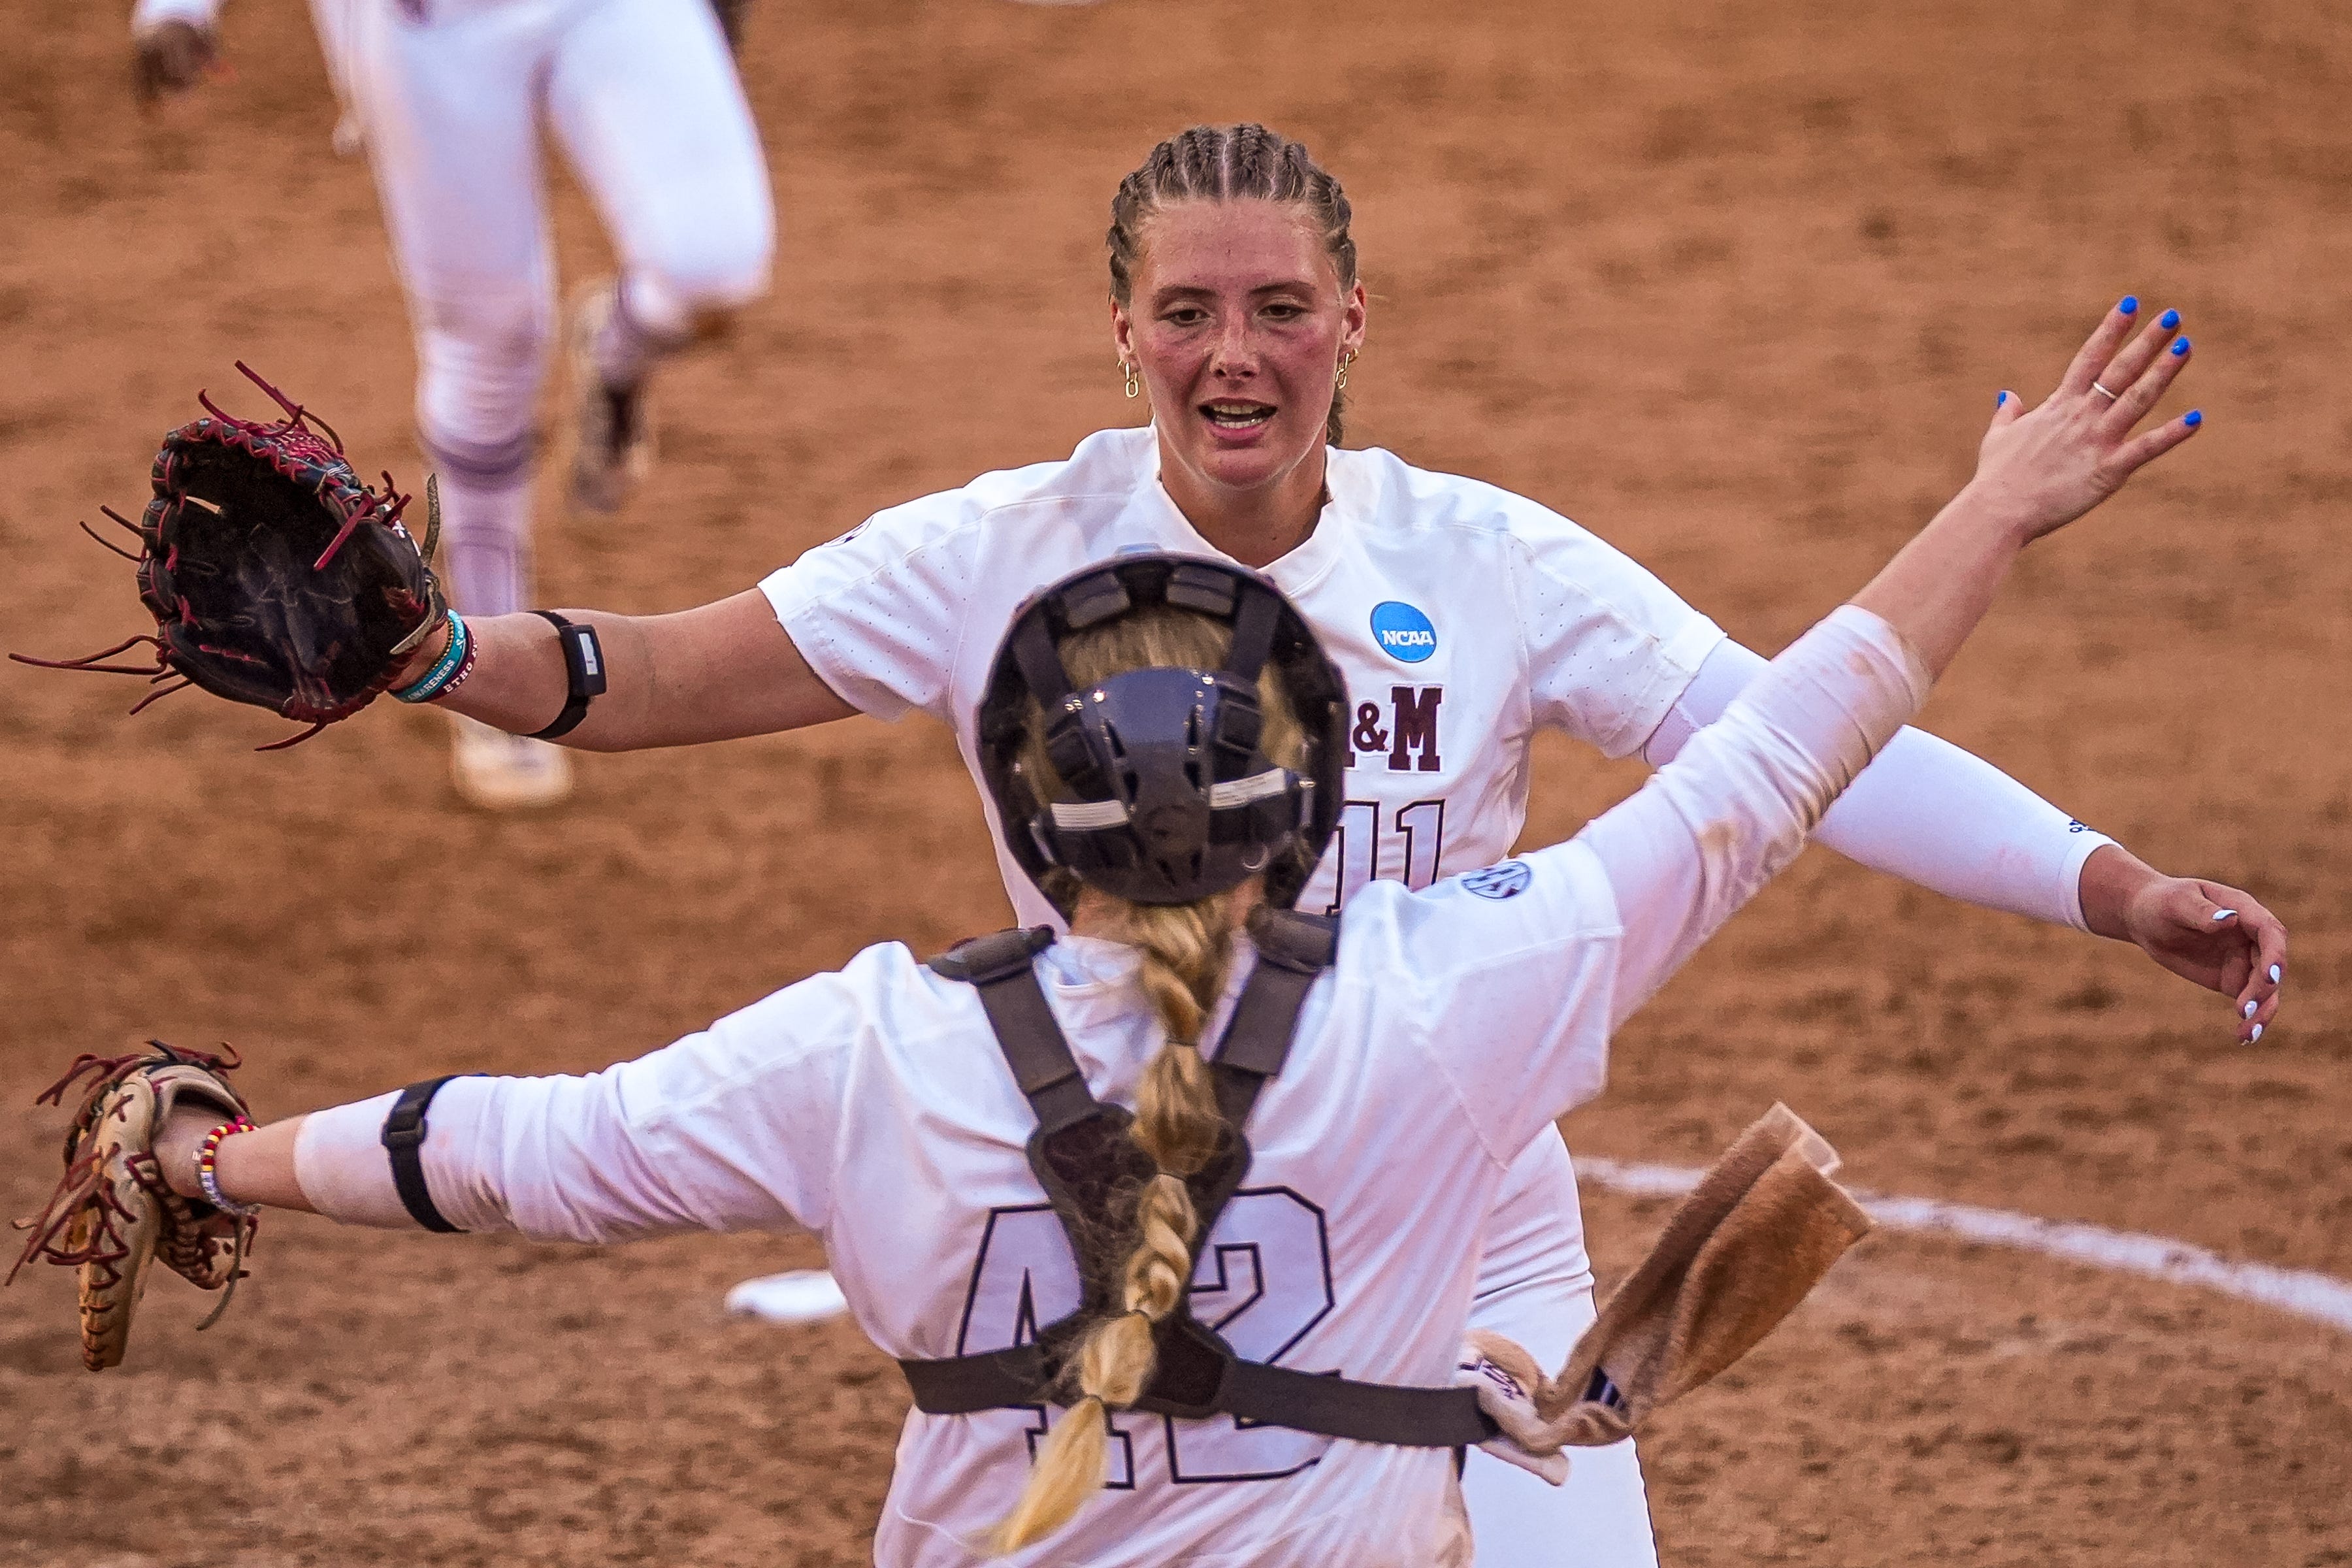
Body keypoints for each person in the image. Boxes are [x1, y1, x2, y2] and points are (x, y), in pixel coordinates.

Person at [361, 124, 2285, 1567]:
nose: (1236, 354)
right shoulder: (990, 551)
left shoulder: (1486, 563)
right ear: (1122, 330)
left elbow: (1793, 742)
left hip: (1462, 1203)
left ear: (1352, 318)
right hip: (1141, 1218)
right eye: (1187, 310)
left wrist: (2110, 882)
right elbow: (648, 675)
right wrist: (437, 651)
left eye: (1281, 307)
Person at [127, 0, 776, 808]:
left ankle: (614, 352)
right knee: (489, 346)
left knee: (713, 263)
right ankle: (494, 676)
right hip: (431, 31)